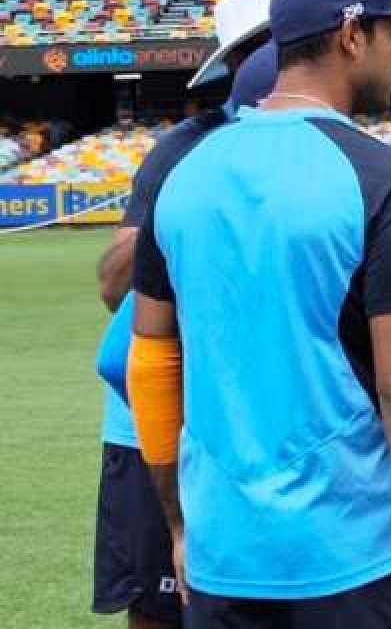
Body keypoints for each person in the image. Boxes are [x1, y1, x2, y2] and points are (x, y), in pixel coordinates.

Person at [128, 0, 391, 628]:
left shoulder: (184, 174)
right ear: (352, 35)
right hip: (357, 553)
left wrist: (178, 524)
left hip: (224, 552)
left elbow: (149, 363)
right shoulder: (382, 176)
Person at [90, 42, 279, 629]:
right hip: (159, 433)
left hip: (256, 429)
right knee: (164, 608)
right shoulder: (185, 149)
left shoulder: (316, 153)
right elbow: (116, 308)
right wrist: (181, 198)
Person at [97, 0, 279, 312]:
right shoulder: (185, 147)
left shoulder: (344, 141)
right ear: (234, 61)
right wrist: (190, 197)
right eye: (264, 46)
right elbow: (115, 288)